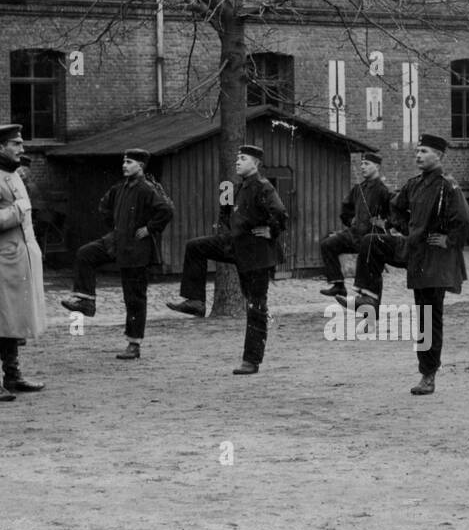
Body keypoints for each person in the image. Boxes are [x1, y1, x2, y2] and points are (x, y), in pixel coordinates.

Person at [353, 133, 469, 395]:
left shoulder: (448, 187)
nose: (418, 155)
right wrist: (403, 227)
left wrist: (448, 239)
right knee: (371, 241)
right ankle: (369, 297)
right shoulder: (414, 184)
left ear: (439, 156)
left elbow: (465, 220)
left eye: (424, 151)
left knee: (427, 318)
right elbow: (395, 208)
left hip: (435, 260)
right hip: (415, 251)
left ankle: (428, 375)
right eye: (417, 151)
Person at [166, 145, 288, 375]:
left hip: (256, 254)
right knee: (196, 247)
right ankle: (196, 301)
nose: (237, 162)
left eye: (243, 159)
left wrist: (272, 231)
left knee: (255, 306)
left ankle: (251, 361)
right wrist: (226, 232)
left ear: (256, 164)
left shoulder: (263, 187)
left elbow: (280, 213)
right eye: (237, 158)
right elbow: (226, 213)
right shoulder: (235, 188)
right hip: (235, 246)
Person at [61, 149, 174, 360]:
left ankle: (134, 343)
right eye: (123, 161)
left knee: (134, 298)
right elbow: (104, 206)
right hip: (116, 241)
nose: (124, 165)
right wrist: (116, 226)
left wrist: (149, 229)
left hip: (136, 249)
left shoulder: (147, 189)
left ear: (140, 166)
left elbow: (166, 211)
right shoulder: (120, 187)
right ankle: (86, 300)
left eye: (129, 162)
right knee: (86, 254)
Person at [0, 123, 48, 399]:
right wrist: (15, 212)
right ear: (1, 147)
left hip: (19, 259)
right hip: (0, 260)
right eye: (16, 144)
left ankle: (13, 375)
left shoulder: (13, 175)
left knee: (13, 315)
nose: (22, 148)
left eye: (21, 143)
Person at [318, 152, 391, 300]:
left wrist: (385, 223)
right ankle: (338, 285)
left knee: (370, 270)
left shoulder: (383, 191)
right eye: (362, 164)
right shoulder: (358, 189)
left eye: (367, 164)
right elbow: (346, 208)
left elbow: (393, 214)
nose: (362, 167)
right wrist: (351, 220)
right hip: (354, 234)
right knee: (328, 244)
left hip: (372, 237)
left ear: (376, 167)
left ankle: (367, 299)